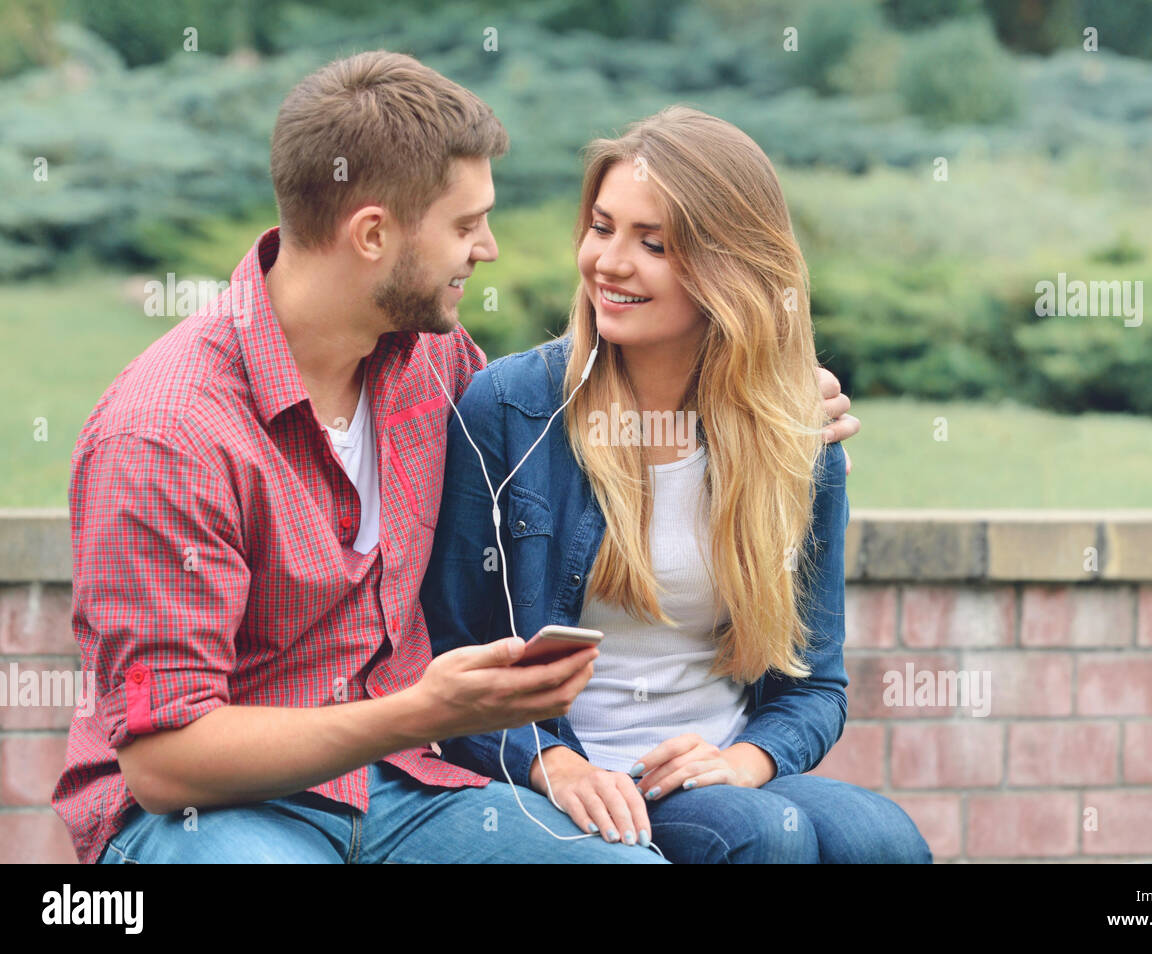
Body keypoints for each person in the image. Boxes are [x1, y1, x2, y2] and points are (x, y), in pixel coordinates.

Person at [52, 51, 858, 864]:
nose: (491, 249)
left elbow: (565, 398)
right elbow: (163, 763)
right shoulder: (166, 434)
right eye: (466, 226)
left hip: (408, 791)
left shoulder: (432, 367)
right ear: (374, 235)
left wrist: (765, 398)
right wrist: (420, 713)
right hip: (222, 814)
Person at [421, 106, 931, 864]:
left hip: (719, 762)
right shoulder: (511, 411)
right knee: (762, 835)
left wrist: (740, 763)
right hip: (576, 770)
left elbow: (814, 688)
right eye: (602, 228)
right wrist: (550, 761)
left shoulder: (798, 431)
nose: (610, 263)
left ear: (731, 267)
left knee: (881, 839)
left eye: (652, 243)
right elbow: (452, 645)